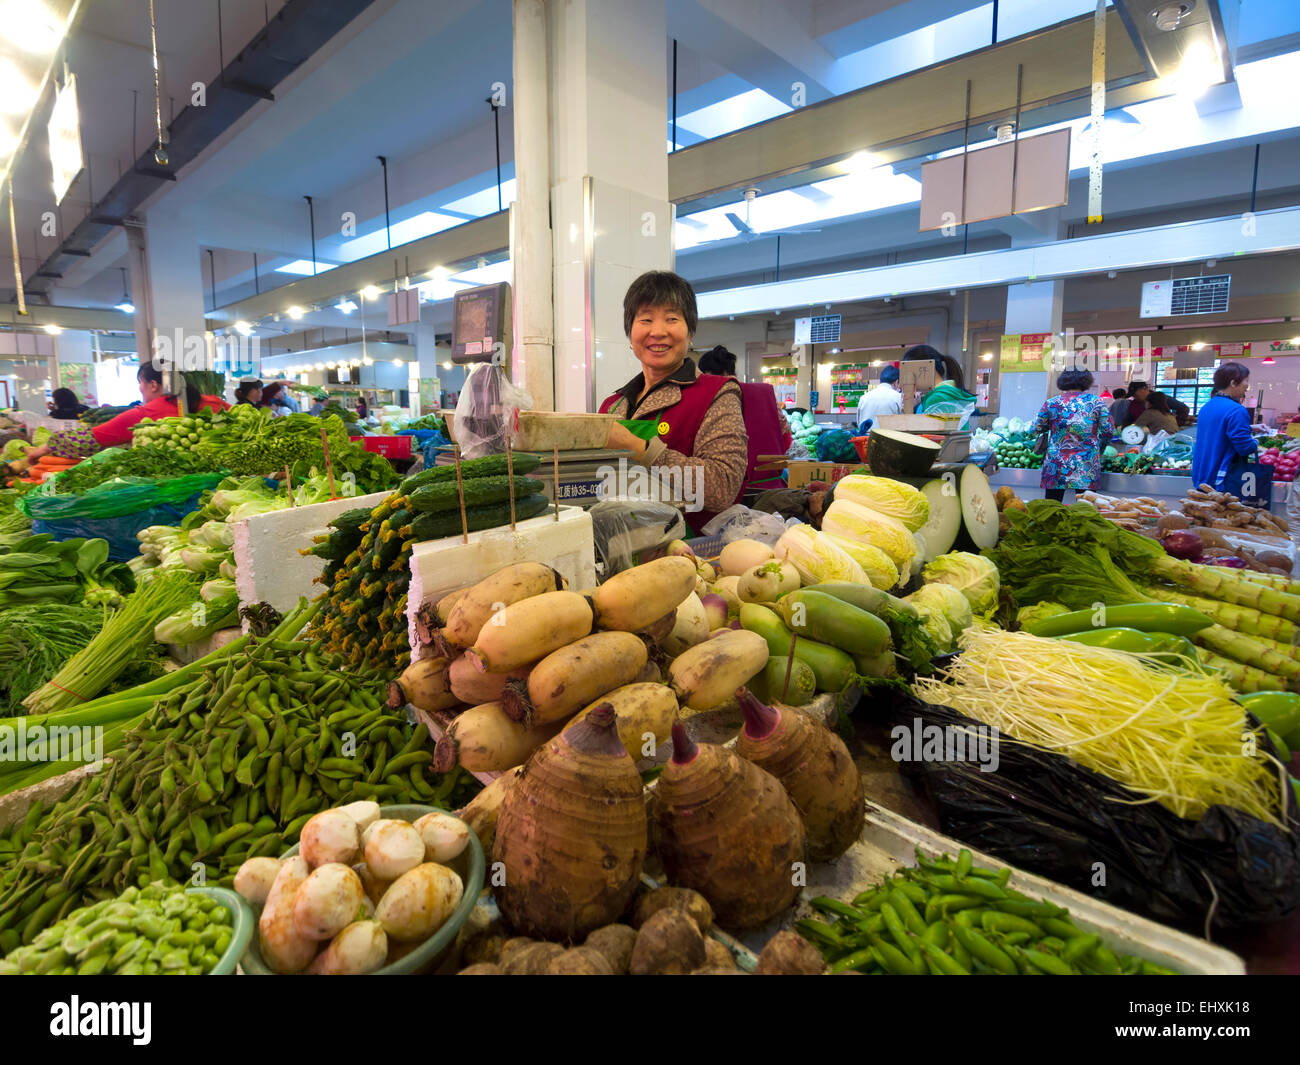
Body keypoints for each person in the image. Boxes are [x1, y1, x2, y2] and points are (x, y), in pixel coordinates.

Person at [600, 271, 748, 534]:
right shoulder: (612, 405)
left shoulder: (716, 394)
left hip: (689, 557)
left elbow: (723, 486)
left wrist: (642, 449)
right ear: (630, 332)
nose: (658, 332)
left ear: (690, 331)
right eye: (645, 319)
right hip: (616, 551)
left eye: (672, 319)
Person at [24, 364, 229, 462]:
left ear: (154, 385)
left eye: (140, 382)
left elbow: (91, 438)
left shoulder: (146, 414)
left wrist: (43, 448)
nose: (140, 388)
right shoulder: (215, 403)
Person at [698, 344, 791, 494]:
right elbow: (786, 437)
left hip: (733, 491)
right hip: (772, 485)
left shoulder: (712, 396)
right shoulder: (765, 392)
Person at [1032, 369, 1113, 504]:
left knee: (1052, 507)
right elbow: (1108, 431)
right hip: (1086, 463)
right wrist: (1099, 448)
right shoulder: (1096, 402)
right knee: (1086, 509)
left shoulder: (1052, 403)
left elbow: (1035, 428)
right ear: (1087, 382)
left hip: (1056, 462)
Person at [1190, 362, 1257, 491]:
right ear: (1233, 383)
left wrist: (1250, 428)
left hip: (1202, 476)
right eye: (1246, 381)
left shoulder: (1207, 407)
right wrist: (1256, 442)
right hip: (1222, 479)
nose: (1247, 386)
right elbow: (1244, 448)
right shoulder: (1237, 410)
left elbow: (1218, 432)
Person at [902, 344, 975, 414]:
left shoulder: (937, 398)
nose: (907, 380)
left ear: (925, 368)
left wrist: (908, 409)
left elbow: (922, 426)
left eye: (908, 372)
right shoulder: (950, 392)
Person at [855, 365, 902, 429]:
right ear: (896, 382)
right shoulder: (898, 397)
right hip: (889, 437)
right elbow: (903, 424)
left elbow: (859, 422)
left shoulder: (864, 398)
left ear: (880, 381)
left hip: (866, 438)